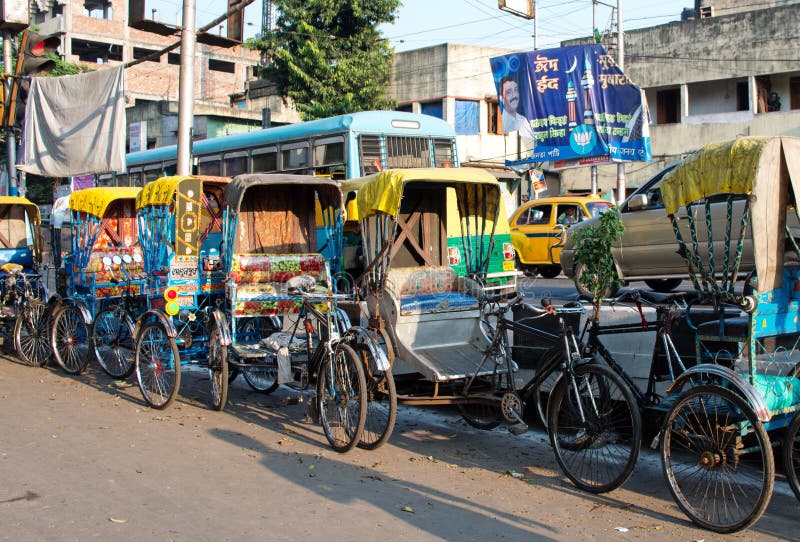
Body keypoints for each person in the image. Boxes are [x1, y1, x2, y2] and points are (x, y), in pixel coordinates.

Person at [499, 75, 535, 141]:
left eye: (516, 90)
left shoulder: (523, 119)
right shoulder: (501, 120)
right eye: (509, 92)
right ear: (501, 98)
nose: (514, 95)